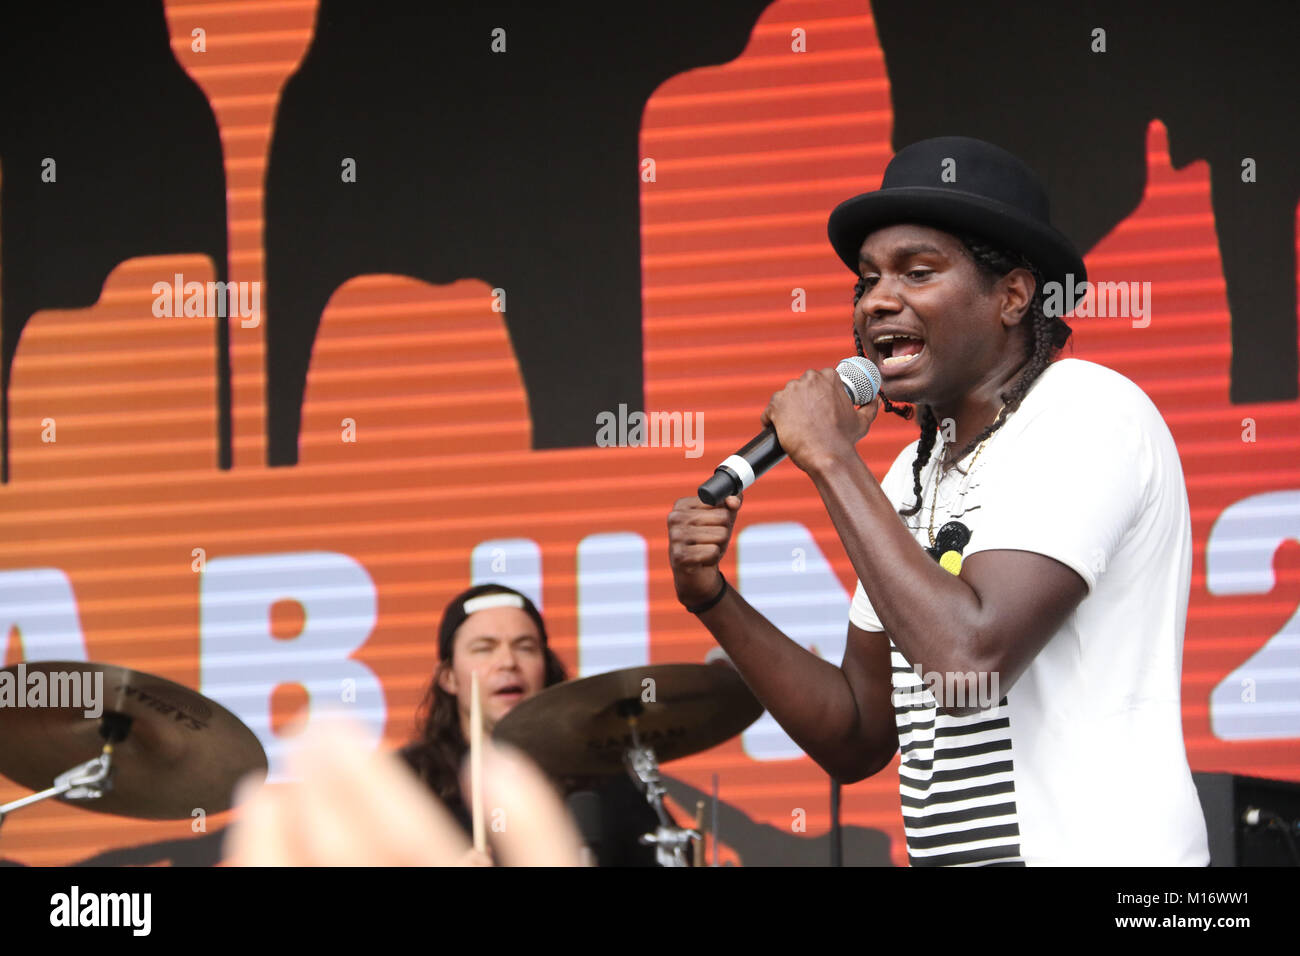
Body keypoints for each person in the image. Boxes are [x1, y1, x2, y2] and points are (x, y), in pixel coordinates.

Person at [667, 136, 1210, 866]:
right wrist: (712, 599)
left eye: (918, 272)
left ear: (1014, 296)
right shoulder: (910, 478)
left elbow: (969, 661)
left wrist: (829, 456)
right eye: (866, 282)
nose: (879, 299)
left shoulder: (1087, 411)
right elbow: (858, 733)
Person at [398, 583, 663, 866]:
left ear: (545, 669)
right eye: (484, 649)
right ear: (449, 677)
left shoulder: (600, 777)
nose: (508, 662)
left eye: (525, 648)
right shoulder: (407, 784)